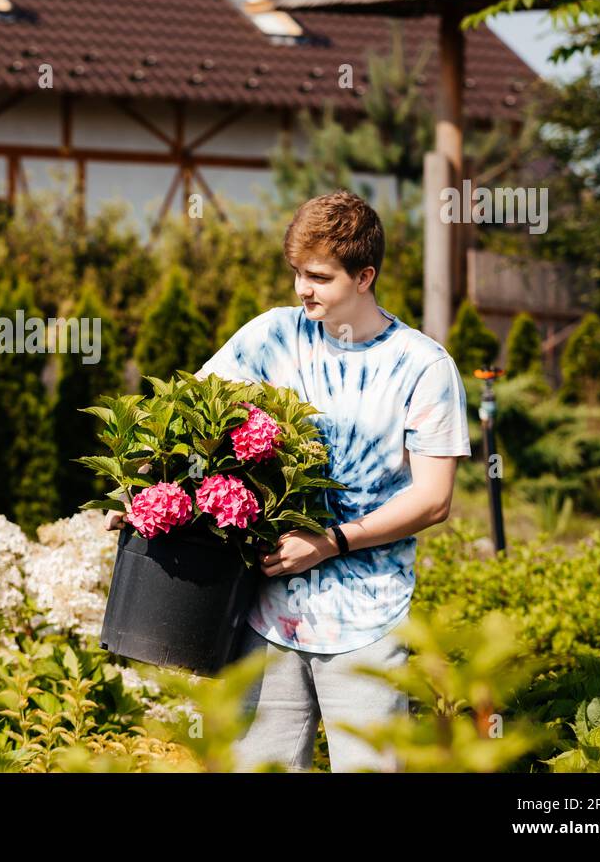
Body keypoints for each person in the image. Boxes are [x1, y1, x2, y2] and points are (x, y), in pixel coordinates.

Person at [106, 190, 472, 771]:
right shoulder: (272, 337)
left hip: (367, 618)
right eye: (297, 273)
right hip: (260, 612)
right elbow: (188, 419)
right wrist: (146, 493)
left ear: (365, 276)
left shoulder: (422, 366)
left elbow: (433, 501)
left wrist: (330, 542)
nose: (303, 289)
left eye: (320, 277)